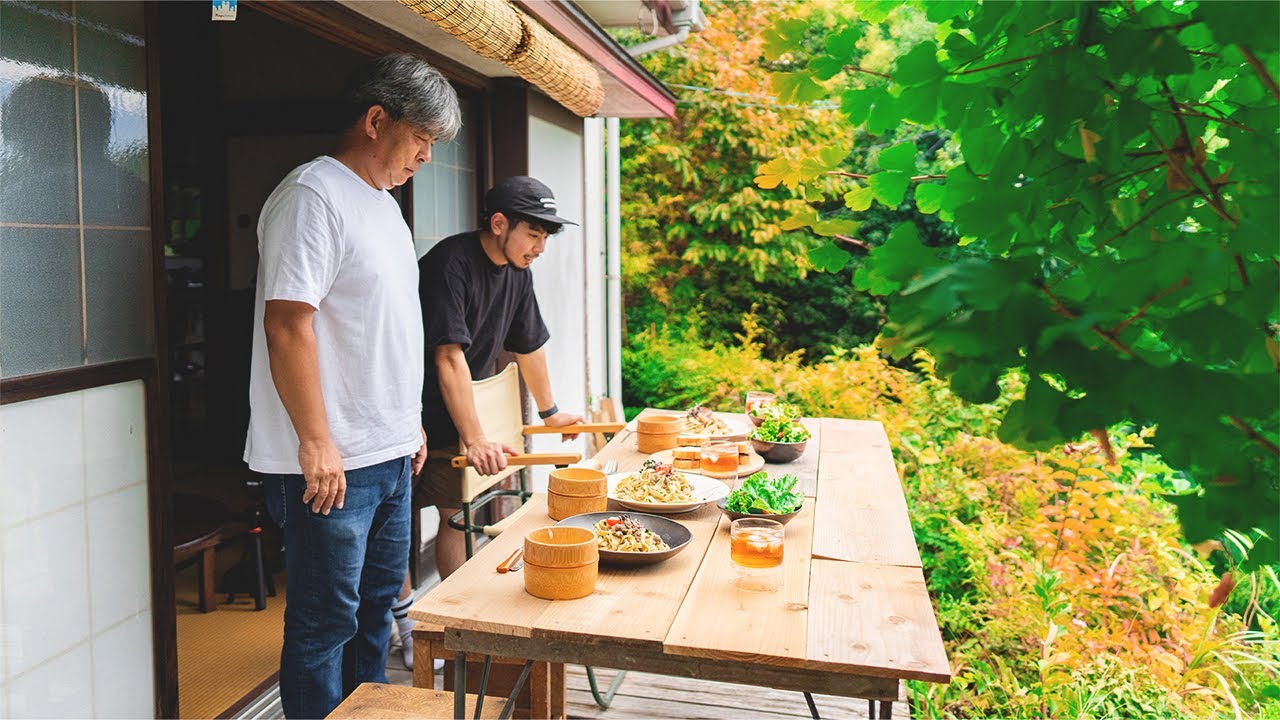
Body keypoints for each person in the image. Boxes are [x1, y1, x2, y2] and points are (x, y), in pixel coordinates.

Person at [243, 54, 460, 719]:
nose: (426, 156)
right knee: (323, 626)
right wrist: (315, 441)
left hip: (390, 453)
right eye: (421, 138)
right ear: (375, 120)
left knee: (375, 616)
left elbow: (383, 328)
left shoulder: (385, 207)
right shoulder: (313, 194)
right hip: (332, 464)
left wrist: (409, 422)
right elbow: (287, 324)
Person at [389, 176, 584, 668]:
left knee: (455, 516)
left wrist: (550, 412)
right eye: (533, 235)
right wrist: (475, 438)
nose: (539, 248)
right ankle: (409, 627)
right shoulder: (450, 264)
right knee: (397, 524)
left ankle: (455, 621)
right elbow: (447, 355)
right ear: (499, 224)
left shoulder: (517, 270)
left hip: (461, 412)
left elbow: (529, 345)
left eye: (545, 237)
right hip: (410, 411)